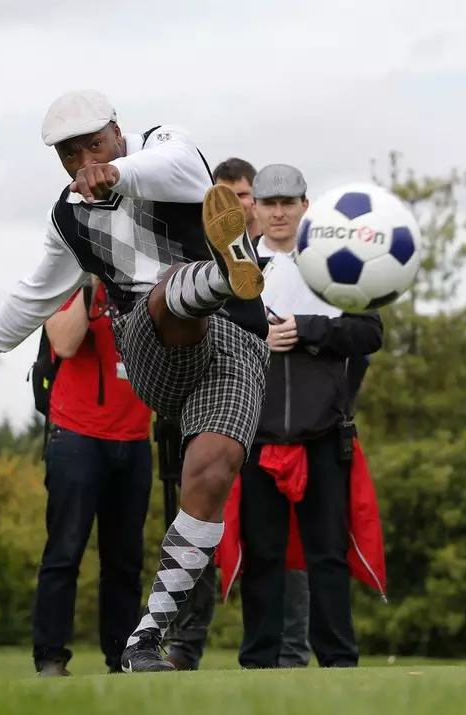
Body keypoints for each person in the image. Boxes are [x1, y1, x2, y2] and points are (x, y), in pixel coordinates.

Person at [0, 89, 271, 673]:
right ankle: (225, 273)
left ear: (117, 132)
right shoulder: (69, 217)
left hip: (237, 346)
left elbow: (181, 171)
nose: (83, 162)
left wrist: (116, 173)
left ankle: (145, 641)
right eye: (69, 155)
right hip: (152, 346)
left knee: (213, 470)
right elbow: (34, 295)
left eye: (93, 145)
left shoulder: (162, 146)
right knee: (170, 293)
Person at [225, 163, 383, 668]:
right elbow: (208, 339)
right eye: (268, 204)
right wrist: (257, 338)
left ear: (304, 207)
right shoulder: (234, 265)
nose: (277, 212)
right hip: (257, 434)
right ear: (255, 208)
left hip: (323, 433)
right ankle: (257, 663)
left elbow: (370, 333)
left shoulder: (337, 264)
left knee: (327, 555)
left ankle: (339, 662)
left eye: (287, 203)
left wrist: (311, 329)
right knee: (264, 556)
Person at [165, 156, 311, 670]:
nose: (240, 204)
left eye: (246, 195)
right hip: (213, 420)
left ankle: (290, 653)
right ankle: (184, 646)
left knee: (281, 548)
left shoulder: (286, 263)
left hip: (278, 427)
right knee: (200, 532)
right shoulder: (193, 261)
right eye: (224, 196)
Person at [32, 274, 154, 676]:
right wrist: (93, 279)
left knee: (125, 560)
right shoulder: (68, 276)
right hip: (76, 435)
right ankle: (50, 656)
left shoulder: (144, 282)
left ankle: (122, 659)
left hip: (134, 436)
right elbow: (64, 342)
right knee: (65, 551)